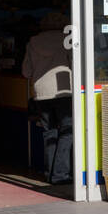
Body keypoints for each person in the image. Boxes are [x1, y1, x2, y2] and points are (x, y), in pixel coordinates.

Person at [21, 13, 73, 184]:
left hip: (41, 93)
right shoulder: (67, 41)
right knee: (67, 132)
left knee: (49, 132)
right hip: (63, 92)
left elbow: (26, 72)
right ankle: (60, 174)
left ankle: (50, 172)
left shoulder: (32, 43)